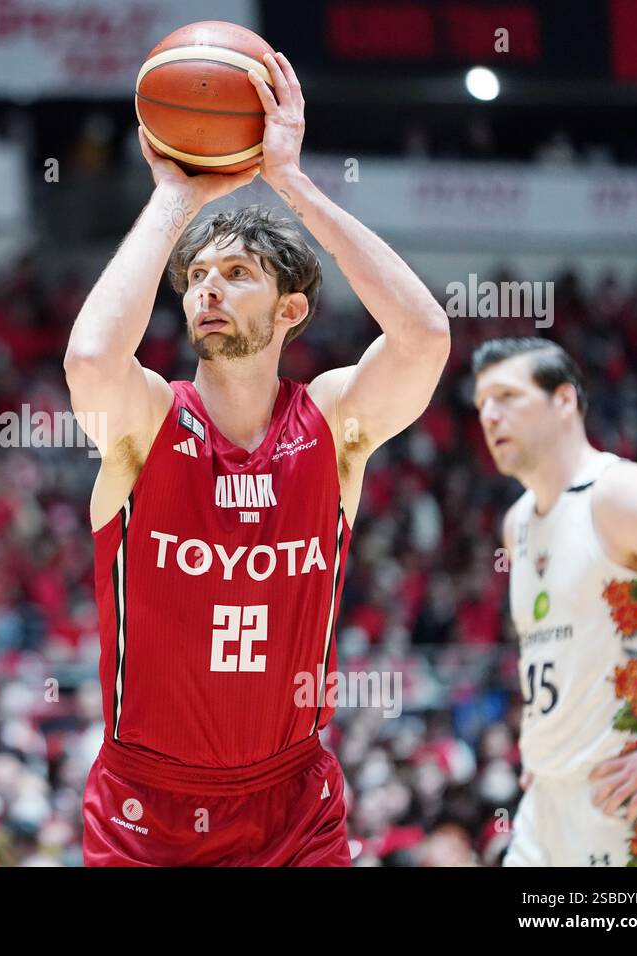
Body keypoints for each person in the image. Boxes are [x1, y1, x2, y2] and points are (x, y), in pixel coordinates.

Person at [65, 46, 450, 865]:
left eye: (236, 273)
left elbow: (424, 336)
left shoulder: (335, 423)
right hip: (146, 806)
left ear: (291, 309)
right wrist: (174, 196)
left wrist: (291, 182)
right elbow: (92, 360)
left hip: (292, 804)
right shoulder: (147, 421)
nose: (207, 287)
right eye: (198, 275)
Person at [474, 337, 637, 866]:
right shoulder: (518, 523)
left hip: (629, 799)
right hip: (545, 801)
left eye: (507, 396)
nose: (490, 414)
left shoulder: (622, 495)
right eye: (482, 402)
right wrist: (546, 749)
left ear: (564, 401)